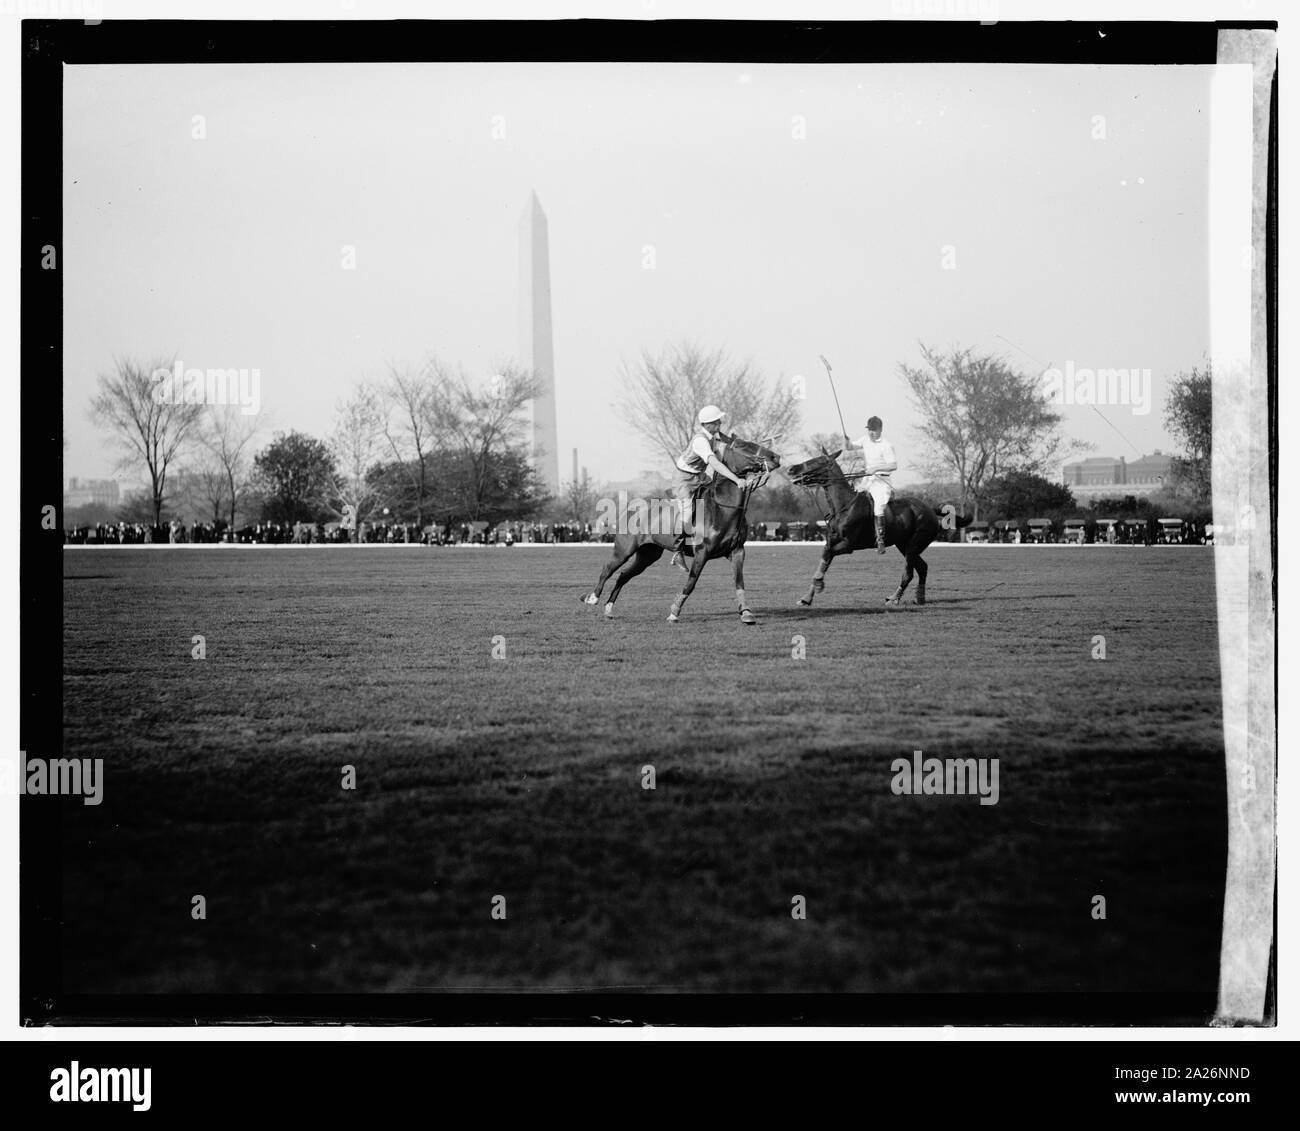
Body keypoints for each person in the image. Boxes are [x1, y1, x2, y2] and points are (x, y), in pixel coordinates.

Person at [670, 405, 747, 570]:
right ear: (707, 424)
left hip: (699, 476)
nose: (720, 423)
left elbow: (734, 444)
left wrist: (756, 449)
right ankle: (677, 551)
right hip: (684, 479)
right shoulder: (700, 441)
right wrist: (736, 479)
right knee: (688, 511)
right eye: (716, 421)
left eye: (719, 420)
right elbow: (714, 463)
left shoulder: (715, 434)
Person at [848, 415, 897, 554]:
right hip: (867, 481)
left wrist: (875, 468)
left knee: (878, 507)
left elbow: (893, 465)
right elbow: (850, 447)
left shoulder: (886, 445)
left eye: (873, 430)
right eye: (869, 430)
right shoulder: (865, 439)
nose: (871, 432)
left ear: (880, 430)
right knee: (853, 502)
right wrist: (846, 442)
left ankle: (880, 540)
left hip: (881, 482)